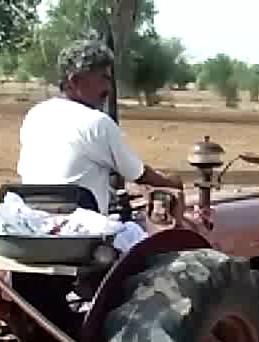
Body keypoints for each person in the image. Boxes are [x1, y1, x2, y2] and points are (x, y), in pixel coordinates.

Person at [15, 38, 182, 215]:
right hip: (81, 233)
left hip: (35, 225)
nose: (108, 89)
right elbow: (140, 175)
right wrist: (172, 183)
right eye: (104, 79)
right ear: (75, 81)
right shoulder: (96, 123)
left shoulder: (36, 114)